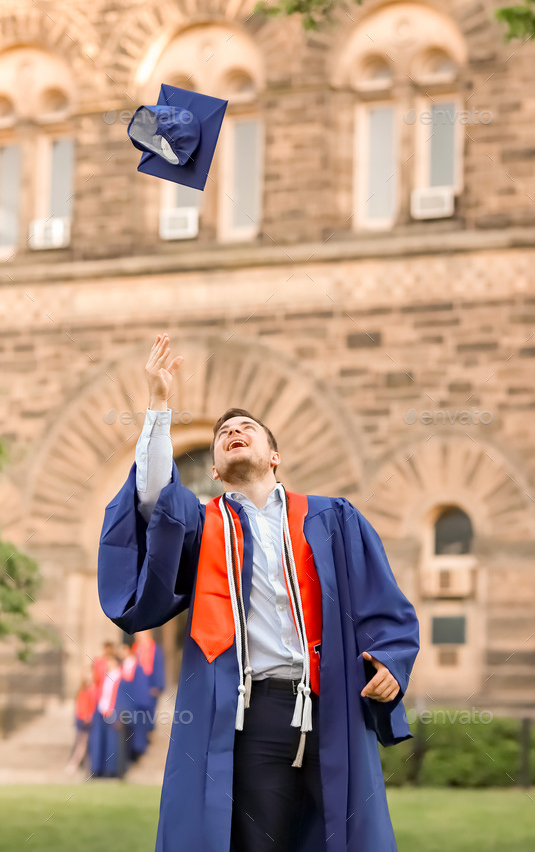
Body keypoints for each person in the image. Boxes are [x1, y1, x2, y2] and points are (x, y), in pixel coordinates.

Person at [98, 333, 420, 852]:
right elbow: (155, 496)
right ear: (216, 467)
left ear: (275, 456)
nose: (234, 431)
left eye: (247, 427)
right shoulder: (203, 528)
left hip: (331, 702)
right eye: (224, 432)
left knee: (346, 836)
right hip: (253, 715)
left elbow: (382, 603)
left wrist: (389, 661)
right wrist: (159, 405)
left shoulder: (332, 519)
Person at [132, 629, 165, 738]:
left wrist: (157, 686)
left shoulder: (155, 649)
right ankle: (139, 739)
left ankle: (148, 735)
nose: (138, 636)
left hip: (150, 684)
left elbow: (159, 668)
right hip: (137, 684)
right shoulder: (136, 648)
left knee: (149, 713)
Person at [65, 670, 97, 775]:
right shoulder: (82, 690)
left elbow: (92, 705)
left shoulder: (93, 690)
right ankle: (74, 764)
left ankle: (79, 765)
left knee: (85, 744)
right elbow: (80, 706)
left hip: (89, 720)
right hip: (82, 721)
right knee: (81, 744)